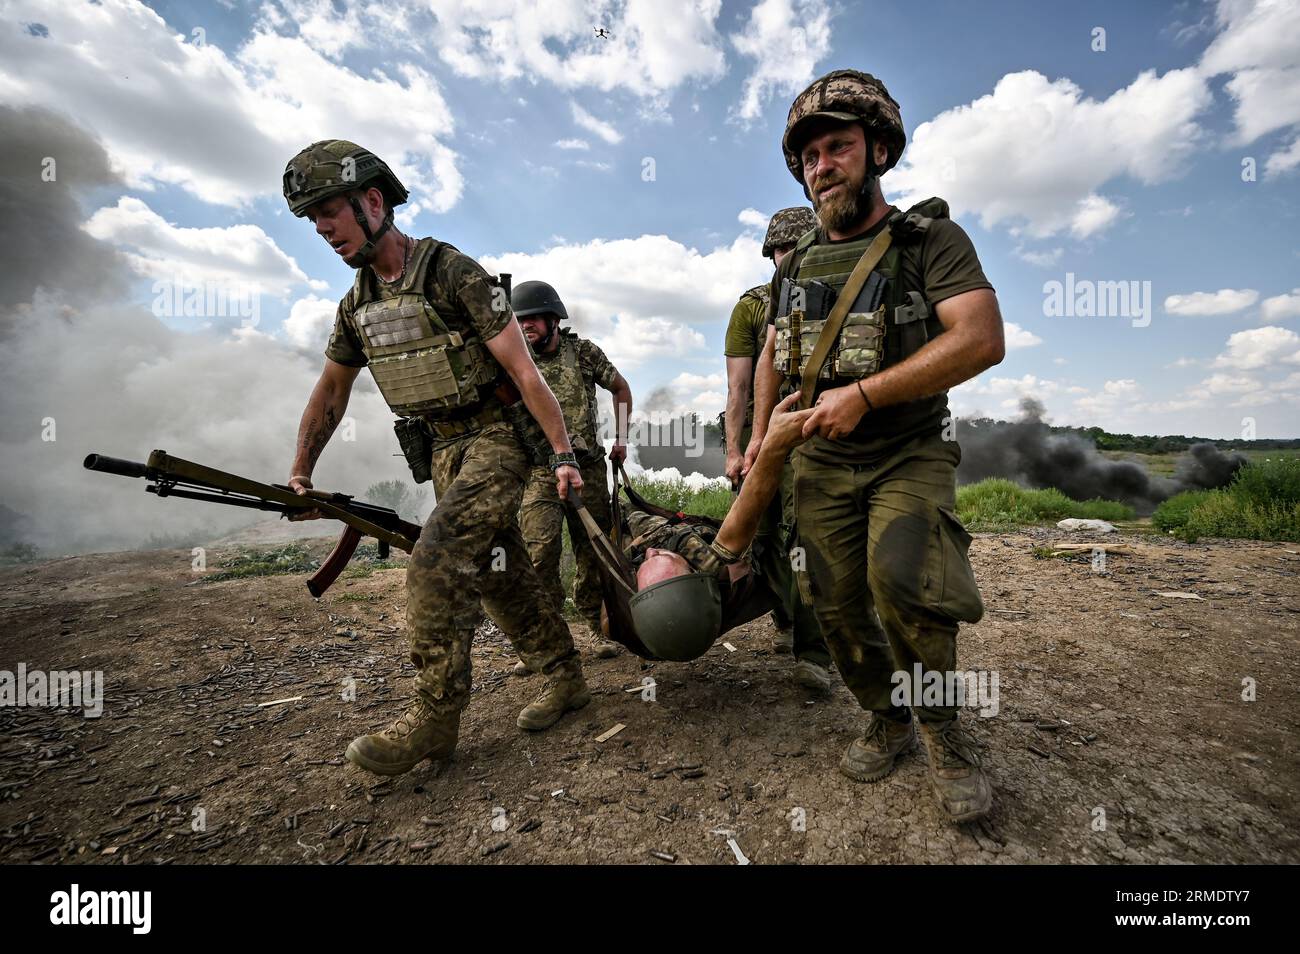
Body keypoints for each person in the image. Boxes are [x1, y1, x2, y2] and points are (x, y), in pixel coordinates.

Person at [281, 140, 591, 777]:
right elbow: (332, 391)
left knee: (437, 559)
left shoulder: (454, 273)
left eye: (328, 211)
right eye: (311, 218)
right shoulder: (356, 306)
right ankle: (563, 675)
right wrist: (301, 471)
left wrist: (562, 454)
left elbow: (525, 373)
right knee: (498, 572)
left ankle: (434, 717)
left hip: (498, 440)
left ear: (373, 202)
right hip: (443, 450)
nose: (321, 228)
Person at [746, 70, 1007, 824]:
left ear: (879, 151)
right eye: (809, 157)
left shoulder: (929, 242)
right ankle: (886, 715)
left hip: (907, 449)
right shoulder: (793, 266)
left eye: (838, 148)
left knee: (905, 582)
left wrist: (863, 396)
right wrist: (766, 439)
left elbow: (980, 338)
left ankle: (942, 731)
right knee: (832, 602)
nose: (821, 167)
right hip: (819, 464)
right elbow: (772, 352)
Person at [620, 393, 817, 662]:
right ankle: (798, 632)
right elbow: (752, 502)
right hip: (675, 531)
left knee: (621, 510)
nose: (653, 552)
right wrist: (774, 441)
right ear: (693, 572)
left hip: (642, 525)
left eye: (652, 558)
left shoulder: (620, 602)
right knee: (784, 556)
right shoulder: (712, 566)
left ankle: (794, 628)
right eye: (661, 557)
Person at [723, 206, 831, 691]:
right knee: (763, 539)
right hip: (766, 437)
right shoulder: (752, 307)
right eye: (780, 249)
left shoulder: (833, 290)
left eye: (795, 246)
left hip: (819, 432)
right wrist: (737, 449)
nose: (786, 256)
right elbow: (738, 387)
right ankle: (785, 617)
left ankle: (815, 651)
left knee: (808, 537)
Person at [512, 280, 633, 665]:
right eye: (520, 321)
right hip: (539, 471)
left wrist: (622, 438)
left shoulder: (582, 353)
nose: (526, 326)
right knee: (539, 553)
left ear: (553, 319)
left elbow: (621, 389)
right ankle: (548, 643)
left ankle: (598, 629)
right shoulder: (514, 360)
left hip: (587, 469)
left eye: (532, 319)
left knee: (593, 551)